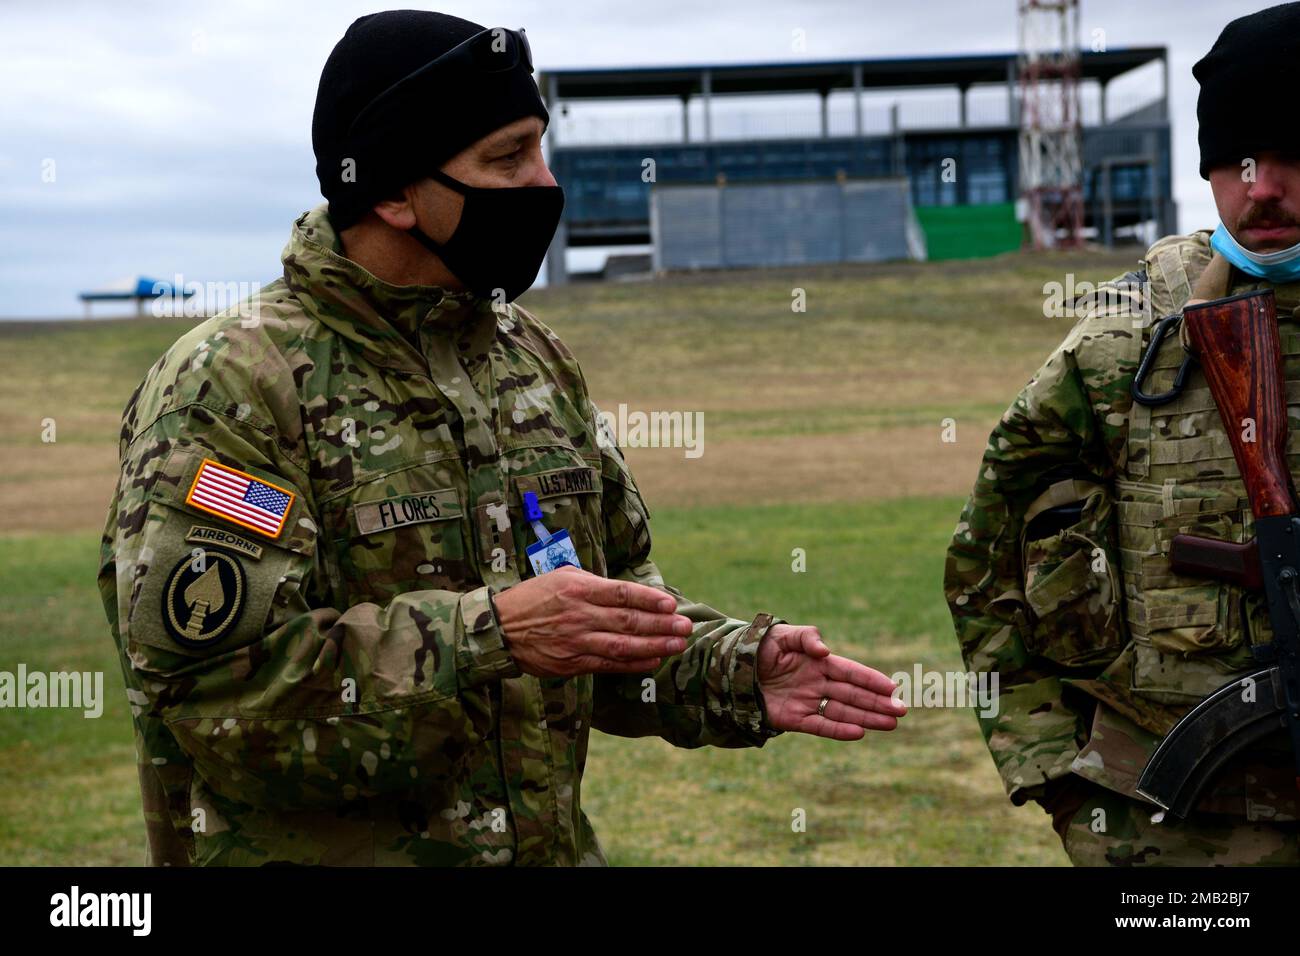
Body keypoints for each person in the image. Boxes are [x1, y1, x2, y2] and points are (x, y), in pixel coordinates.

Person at [97, 9, 906, 867]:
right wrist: (493, 636)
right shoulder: (233, 386)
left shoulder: (532, 358)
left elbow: (605, 616)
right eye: (506, 157)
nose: (543, 182)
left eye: (539, 149)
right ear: (394, 192)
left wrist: (734, 667)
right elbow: (214, 697)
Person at [946, 2, 1300, 865]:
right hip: (1176, 830)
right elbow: (987, 559)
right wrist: (1055, 772)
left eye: (1294, 154)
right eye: (1236, 161)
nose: (1263, 187)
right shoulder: (1123, 341)